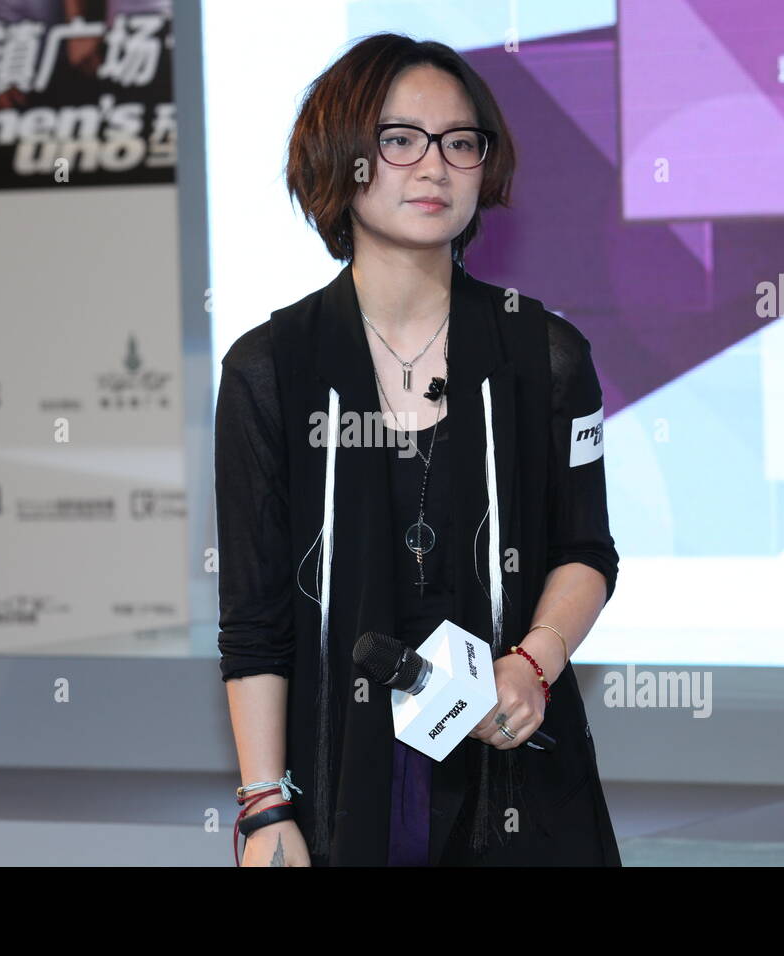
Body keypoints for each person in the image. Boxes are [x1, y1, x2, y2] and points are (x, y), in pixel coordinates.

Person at [216, 32, 621, 867]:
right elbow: (255, 623)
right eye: (399, 140)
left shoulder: (544, 354)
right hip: (341, 781)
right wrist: (263, 804)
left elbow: (586, 550)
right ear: (341, 158)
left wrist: (534, 665)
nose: (433, 165)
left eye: (459, 142)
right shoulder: (271, 369)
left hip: (512, 771)